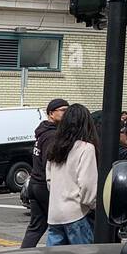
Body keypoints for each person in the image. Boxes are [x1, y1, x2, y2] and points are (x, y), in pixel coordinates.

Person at [44, 103, 100, 246]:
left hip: (54, 214)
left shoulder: (55, 147)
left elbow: (49, 180)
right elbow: (87, 185)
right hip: (77, 214)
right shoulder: (86, 148)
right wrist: (94, 206)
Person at [21, 98, 68, 248]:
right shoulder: (51, 135)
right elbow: (52, 161)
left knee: (37, 226)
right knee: (62, 224)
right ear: (51, 114)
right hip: (43, 185)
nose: (66, 114)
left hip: (34, 184)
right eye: (63, 111)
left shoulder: (43, 133)